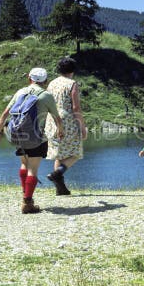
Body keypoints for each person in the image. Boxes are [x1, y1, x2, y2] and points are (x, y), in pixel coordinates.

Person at [0, 67, 63, 214]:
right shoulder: (46, 96)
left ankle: (25, 195)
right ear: (45, 81)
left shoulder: (21, 92)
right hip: (36, 138)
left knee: (24, 164)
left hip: (18, 136)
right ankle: (27, 203)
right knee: (33, 169)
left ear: (29, 78)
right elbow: (57, 117)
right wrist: (60, 130)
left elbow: (5, 113)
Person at [45, 57, 87, 195]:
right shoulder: (72, 83)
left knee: (59, 154)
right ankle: (58, 173)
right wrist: (82, 126)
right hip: (67, 120)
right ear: (72, 70)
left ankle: (60, 189)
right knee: (76, 152)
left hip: (52, 120)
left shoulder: (52, 83)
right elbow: (76, 108)